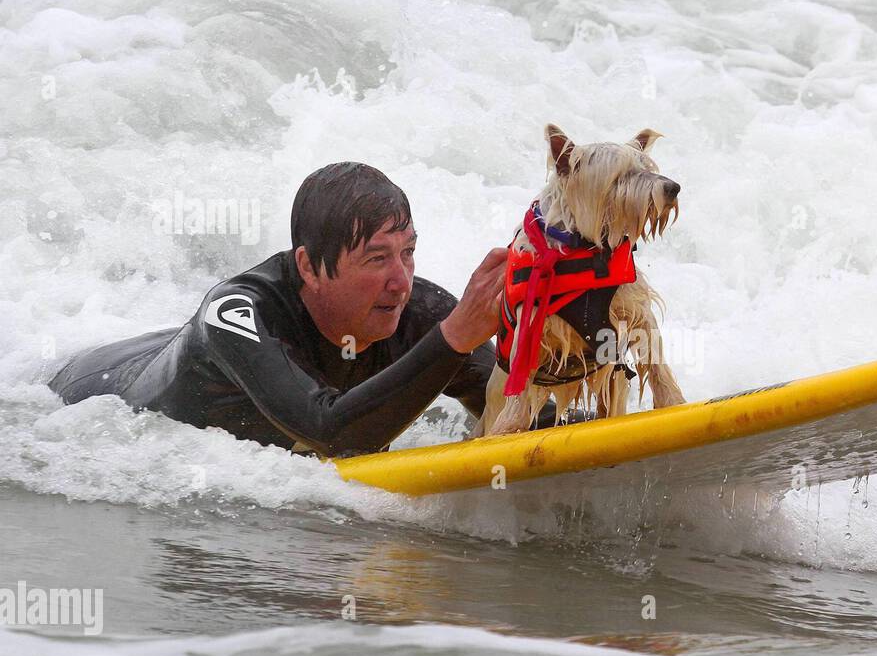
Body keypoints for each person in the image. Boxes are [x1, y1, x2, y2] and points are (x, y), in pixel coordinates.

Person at [49, 162, 552, 456]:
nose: (400, 281)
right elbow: (328, 434)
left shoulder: (420, 311)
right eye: (376, 258)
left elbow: (520, 414)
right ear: (309, 266)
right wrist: (455, 338)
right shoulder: (238, 313)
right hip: (76, 398)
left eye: (408, 252)